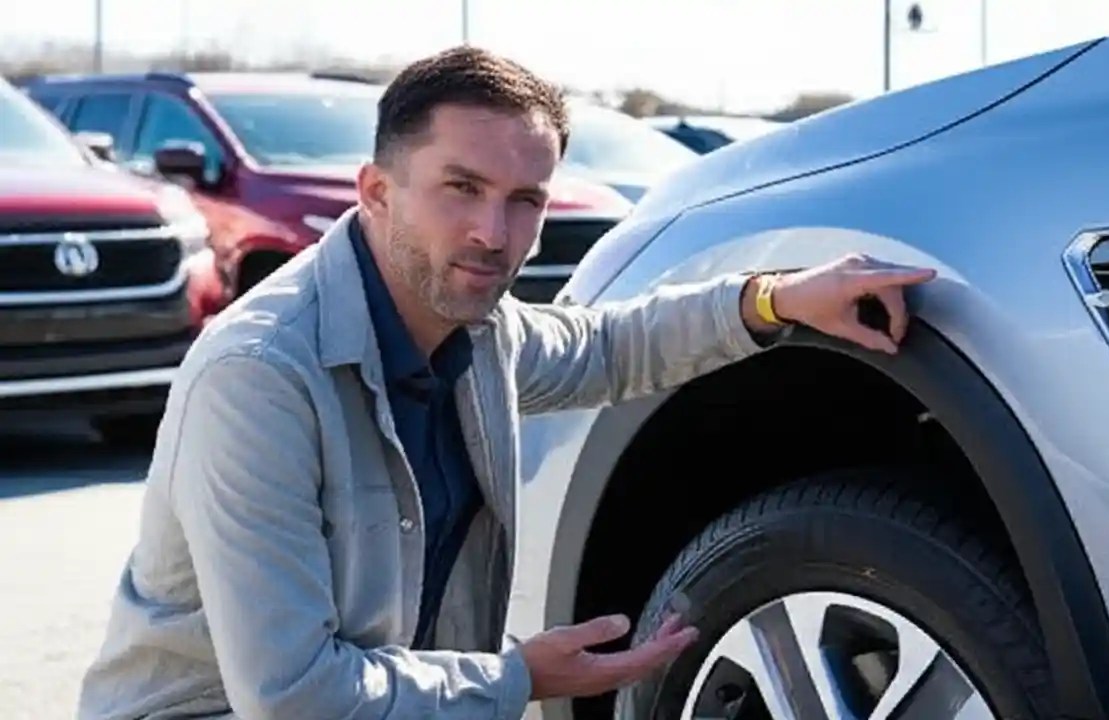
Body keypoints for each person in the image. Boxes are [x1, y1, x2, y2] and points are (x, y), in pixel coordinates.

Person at [77, 46, 936, 720]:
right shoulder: (260, 377)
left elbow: (608, 345)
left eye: (525, 199)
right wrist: (517, 678)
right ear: (376, 190)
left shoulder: (476, 328)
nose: (494, 232)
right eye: (461, 188)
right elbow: (295, 696)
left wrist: (776, 298)